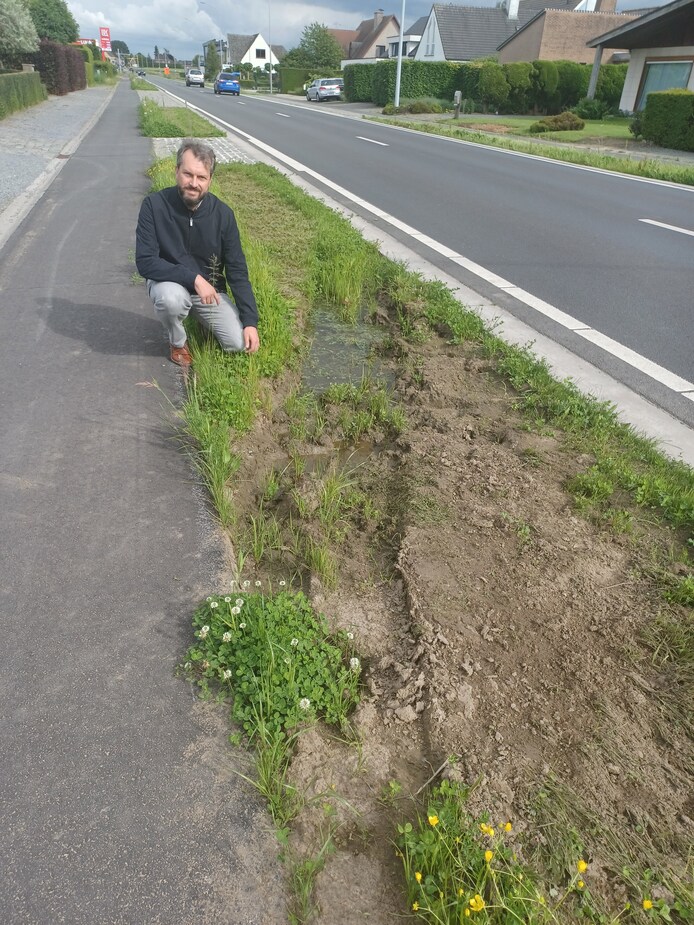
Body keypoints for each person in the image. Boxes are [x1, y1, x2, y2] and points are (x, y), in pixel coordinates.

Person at [135, 139, 259, 367]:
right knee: (172, 300)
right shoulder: (154, 205)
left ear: (210, 180)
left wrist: (250, 321)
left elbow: (237, 272)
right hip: (168, 283)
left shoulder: (223, 215)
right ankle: (178, 341)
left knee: (237, 344)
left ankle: (199, 319)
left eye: (201, 177)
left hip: (208, 292)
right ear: (176, 172)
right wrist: (193, 278)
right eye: (187, 174)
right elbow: (145, 262)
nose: (193, 183)